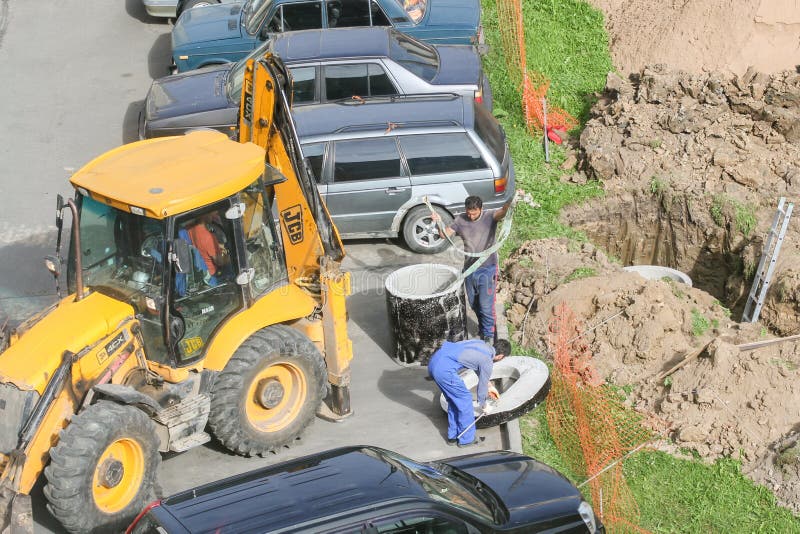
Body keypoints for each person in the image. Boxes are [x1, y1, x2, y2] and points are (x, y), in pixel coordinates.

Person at [433, 195, 514, 343]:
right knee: (473, 303)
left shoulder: (490, 216)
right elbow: (443, 235)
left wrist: (512, 199)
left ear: (481, 209)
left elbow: (504, 210)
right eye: (469, 212)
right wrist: (438, 221)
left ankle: (490, 336)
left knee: (486, 305)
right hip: (469, 269)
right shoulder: (460, 220)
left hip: (488, 269)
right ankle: (484, 328)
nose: (471, 216)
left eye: (474, 213)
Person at [428, 339, 510, 447]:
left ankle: (452, 437)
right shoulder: (487, 361)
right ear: (500, 356)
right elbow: (481, 389)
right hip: (444, 371)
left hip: (434, 362)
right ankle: (466, 440)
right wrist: (484, 405)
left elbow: (475, 364)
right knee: (465, 400)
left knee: (454, 400)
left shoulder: (481, 345)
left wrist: (489, 385)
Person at [187, 212, 229, 286]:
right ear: (203, 215)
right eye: (210, 213)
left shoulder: (191, 229)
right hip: (212, 273)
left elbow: (202, 245)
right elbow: (219, 262)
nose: (212, 216)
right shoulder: (209, 237)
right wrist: (228, 256)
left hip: (201, 267)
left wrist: (217, 246)